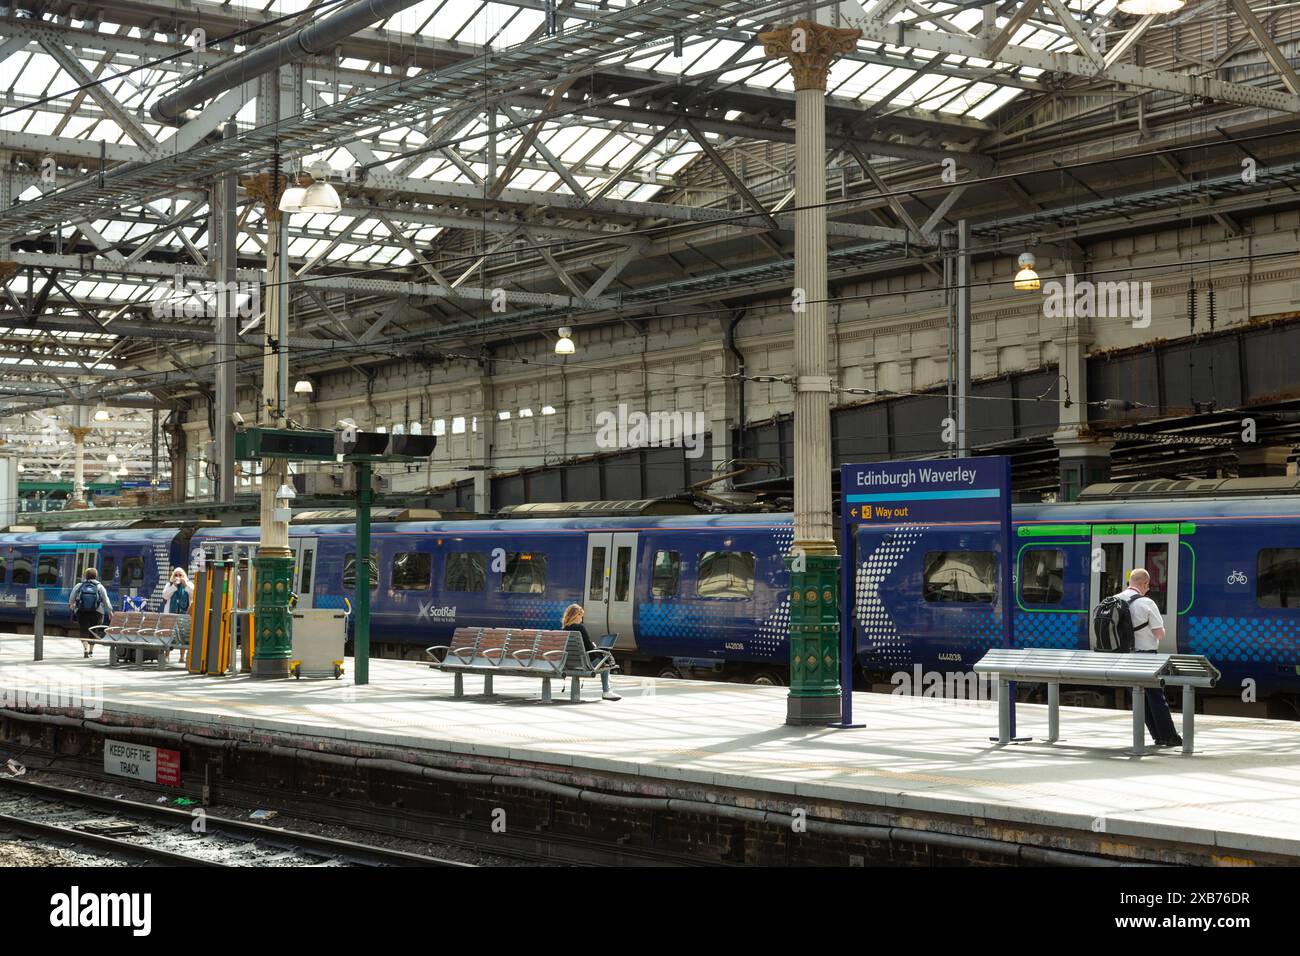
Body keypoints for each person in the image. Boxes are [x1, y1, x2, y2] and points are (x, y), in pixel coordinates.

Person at [1114, 568, 1182, 748]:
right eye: (1147, 585)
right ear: (1144, 584)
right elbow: (1159, 634)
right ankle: (1168, 736)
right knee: (1156, 697)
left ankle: (1157, 735)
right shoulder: (1147, 603)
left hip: (1123, 658)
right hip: (1145, 656)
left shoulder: (1116, 600)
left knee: (1139, 698)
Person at [561, 603, 620, 701]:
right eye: (581, 616)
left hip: (570, 662)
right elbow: (589, 647)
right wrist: (596, 648)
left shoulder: (564, 629)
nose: (581, 619)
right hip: (585, 663)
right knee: (605, 663)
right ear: (576, 615)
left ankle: (608, 682)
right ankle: (606, 691)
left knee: (603, 660)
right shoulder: (580, 628)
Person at [69, 567, 112, 659]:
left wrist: (71, 604)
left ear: (86, 575)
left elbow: (72, 596)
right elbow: (106, 600)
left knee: (84, 629)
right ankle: (91, 651)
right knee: (94, 630)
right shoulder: (100, 586)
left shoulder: (79, 585)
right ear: (95, 576)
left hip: (82, 611)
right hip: (97, 611)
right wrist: (110, 611)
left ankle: (85, 649)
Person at [160, 568, 195, 664]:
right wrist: (174, 586)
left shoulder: (189, 584)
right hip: (171, 614)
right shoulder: (169, 584)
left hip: (184, 614)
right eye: (176, 575)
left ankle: (182, 656)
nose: (178, 577)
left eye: (180, 575)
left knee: (183, 634)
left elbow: (194, 593)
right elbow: (165, 596)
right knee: (169, 634)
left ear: (184, 576)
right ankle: (167, 655)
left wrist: (185, 585)